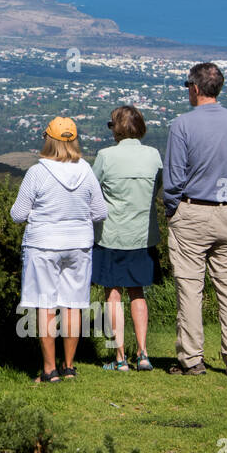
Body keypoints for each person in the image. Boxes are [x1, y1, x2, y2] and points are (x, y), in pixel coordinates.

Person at [163, 62, 227, 377]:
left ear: (197, 88)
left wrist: (172, 209)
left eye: (188, 85)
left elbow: (173, 177)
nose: (188, 90)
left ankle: (191, 359)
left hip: (192, 210)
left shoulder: (181, 125)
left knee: (190, 287)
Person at [10, 116, 108, 383]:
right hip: (78, 245)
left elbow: (18, 214)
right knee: (73, 306)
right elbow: (100, 212)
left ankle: (49, 369)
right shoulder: (86, 170)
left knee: (45, 306)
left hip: (43, 245)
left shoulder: (37, 172)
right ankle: (70, 366)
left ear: (48, 139)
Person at [92, 105, 163, 372]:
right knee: (138, 293)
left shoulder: (105, 156)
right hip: (143, 235)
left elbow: (92, 189)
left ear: (117, 129)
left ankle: (119, 357)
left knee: (112, 294)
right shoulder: (153, 155)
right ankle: (143, 353)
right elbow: (157, 187)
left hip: (111, 234)